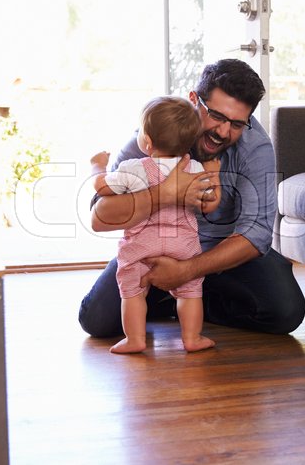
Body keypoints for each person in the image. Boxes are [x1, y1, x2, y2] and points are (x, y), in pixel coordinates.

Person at [79, 59, 305, 339]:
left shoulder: (255, 148)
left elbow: (257, 232)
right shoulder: (158, 130)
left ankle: (189, 301)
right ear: (194, 100)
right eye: (217, 116)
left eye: (237, 124)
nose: (223, 132)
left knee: (286, 312)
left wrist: (186, 271)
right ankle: (173, 299)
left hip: (221, 256)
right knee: (96, 320)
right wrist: (166, 194)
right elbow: (100, 216)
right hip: (151, 253)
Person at [90, 96, 220, 354]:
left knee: (132, 290)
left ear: (147, 141)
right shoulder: (194, 168)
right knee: (191, 291)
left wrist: (97, 166)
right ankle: (192, 338)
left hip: (142, 245)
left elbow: (101, 187)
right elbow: (210, 204)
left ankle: (135, 339)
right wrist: (214, 174)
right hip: (182, 245)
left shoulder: (135, 168)